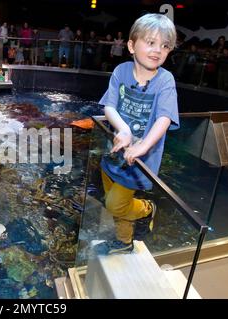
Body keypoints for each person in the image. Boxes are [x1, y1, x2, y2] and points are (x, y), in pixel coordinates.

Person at [94, 13, 179, 255]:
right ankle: (124, 242)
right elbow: (109, 106)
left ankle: (146, 209)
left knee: (115, 204)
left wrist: (142, 147)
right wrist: (124, 129)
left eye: (164, 46)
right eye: (150, 42)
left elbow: (164, 118)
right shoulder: (121, 71)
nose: (157, 50)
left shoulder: (165, 80)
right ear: (131, 45)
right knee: (116, 204)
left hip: (137, 162)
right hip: (113, 154)